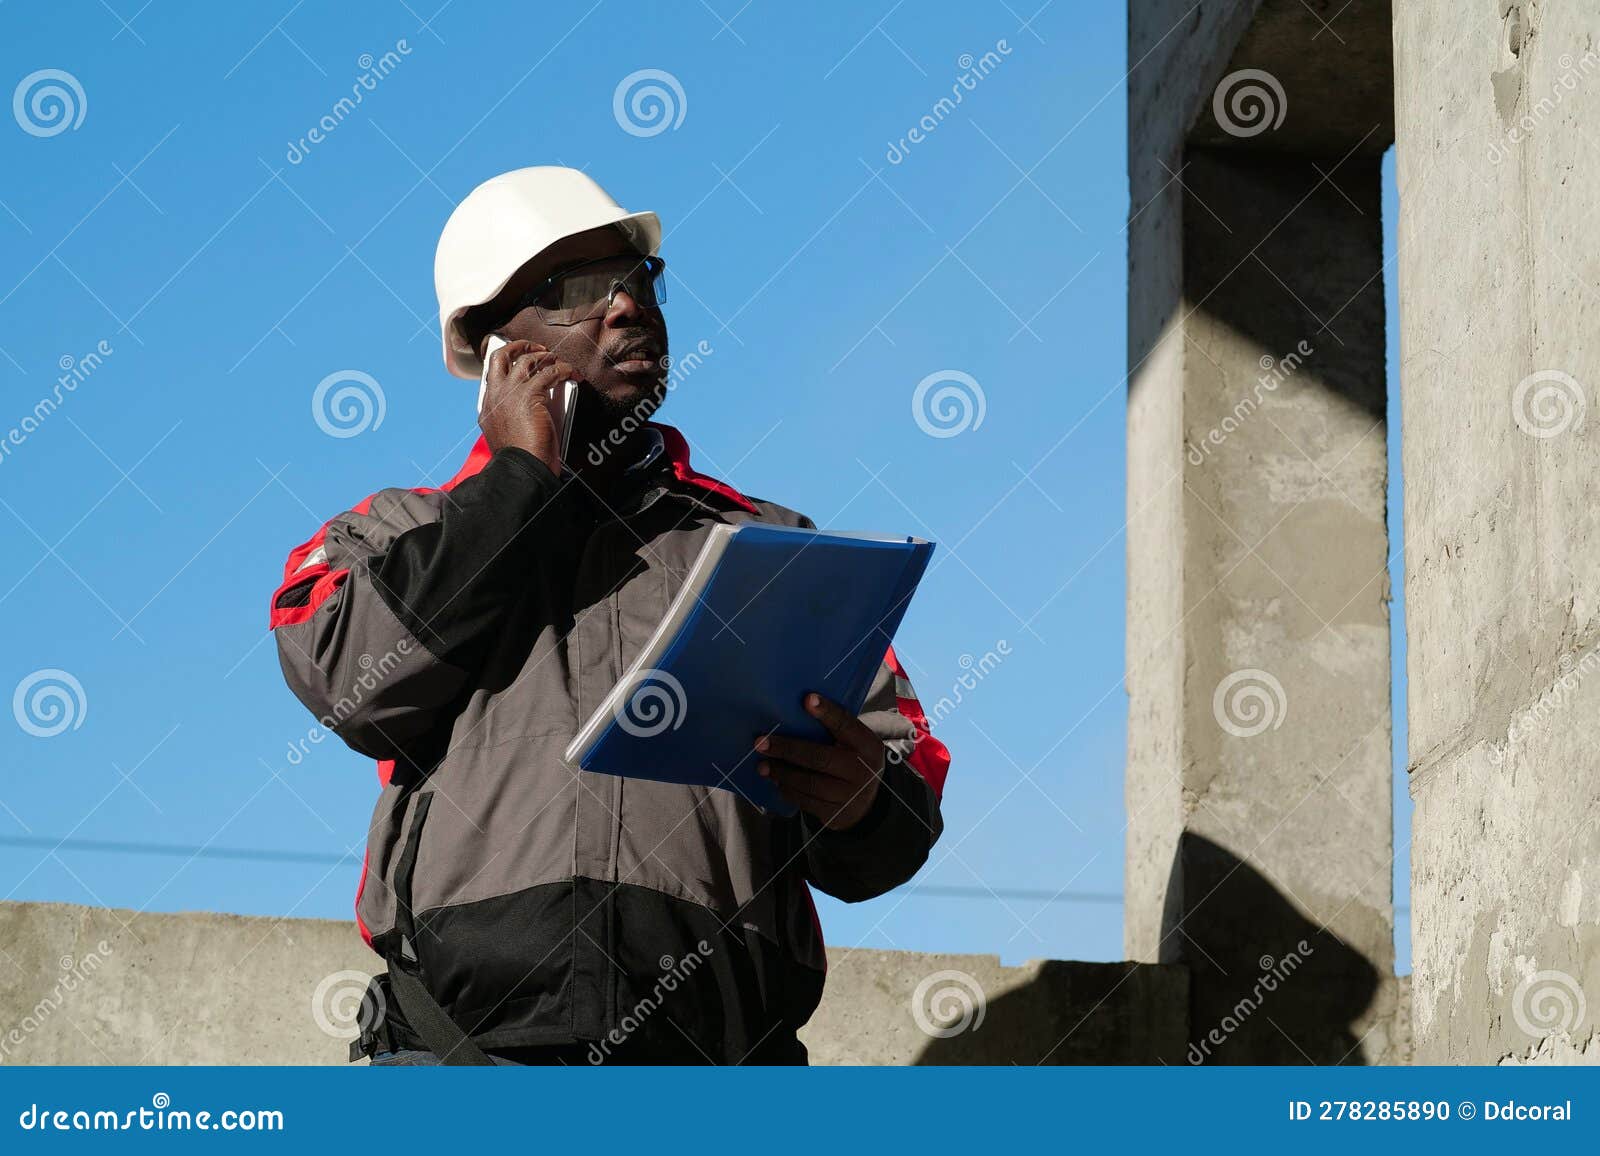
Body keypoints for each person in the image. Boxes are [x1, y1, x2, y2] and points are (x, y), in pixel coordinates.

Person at [268, 167, 951, 1065]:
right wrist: (519, 482)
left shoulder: (770, 550)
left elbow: (903, 780)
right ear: (492, 344)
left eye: (639, 282)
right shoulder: (393, 533)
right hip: (459, 1067)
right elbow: (348, 683)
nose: (627, 307)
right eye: (578, 291)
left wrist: (865, 805)